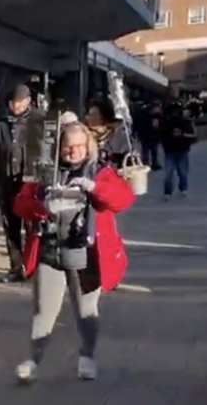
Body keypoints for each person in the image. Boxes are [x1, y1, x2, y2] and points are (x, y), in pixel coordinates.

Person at [12, 123, 135, 382]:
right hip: (50, 252)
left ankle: (87, 357)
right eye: (68, 146)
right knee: (43, 312)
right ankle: (33, 361)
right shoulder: (44, 173)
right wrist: (43, 206)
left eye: (79, 146)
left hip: (85, 254)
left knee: (86, 311)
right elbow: (19, 204)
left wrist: (94, 188)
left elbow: (123, 199)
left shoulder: (101, 171)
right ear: (58, 147)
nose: (74, 151)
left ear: (88, 146)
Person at [0, 85, 36, 283]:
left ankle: (33, 267)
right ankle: (16, 267)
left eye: (20, 102)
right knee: (11, 228)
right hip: (6, 182)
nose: (16, 106)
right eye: (13, 102)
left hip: (29, 184)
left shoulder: (38, 121)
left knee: (33, 228)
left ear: (28, 101)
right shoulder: (0, 124)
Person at [161, 103, 197, 200]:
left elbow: (161, 136)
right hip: (177, 150)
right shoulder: (184, 122)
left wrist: (182, 135)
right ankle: (181, 189)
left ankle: (170, 191)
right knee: (181, 172)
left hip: (174, 150)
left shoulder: (167, 123)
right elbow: (193, 136)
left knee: (172, 172)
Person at [85, 98, 131, 169]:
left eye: (92, 115)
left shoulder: (121, 137)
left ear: (105, 118)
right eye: (88, 114)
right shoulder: (84, 136)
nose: (87, 118)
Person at [134, 100, 163, 170]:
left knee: (146, 150)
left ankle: (146, 164)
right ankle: (154, 163)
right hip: (152, 134)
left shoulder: (141, 112)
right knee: (153, 150)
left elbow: (137, 123)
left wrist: (136, 132)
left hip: (145, 134)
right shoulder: (155, 115)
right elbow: (157, 125)